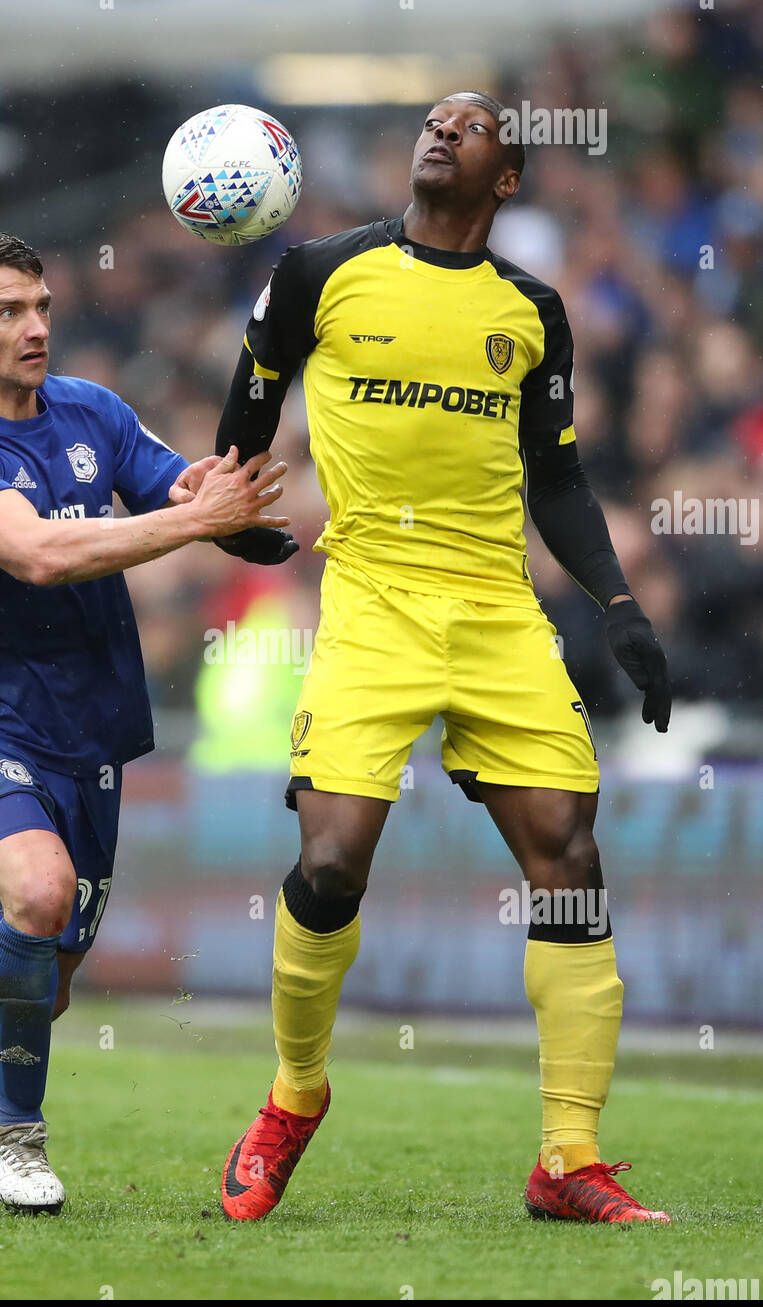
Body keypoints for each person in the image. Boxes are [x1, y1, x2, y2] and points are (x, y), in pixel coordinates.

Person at [216, 93, 674, 1225]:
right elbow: (248, 410)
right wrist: (231, 511)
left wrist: (618, 604)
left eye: (470, 126)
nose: (442, 130)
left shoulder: (532, 310)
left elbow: (556, 478)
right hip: (371, 600)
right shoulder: (318, 272)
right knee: (332, 862)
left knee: (568, 852)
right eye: (434, 120)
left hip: (496, 610)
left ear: (506, 177)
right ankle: (294, 1094)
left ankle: (567, 1157)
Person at [0, 228, 289, 1213]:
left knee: (48, 978)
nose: (35, 327)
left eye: (40, 306)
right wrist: (192, 522)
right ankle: (19, 1144)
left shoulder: (93, 412)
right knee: (38, 892)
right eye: (7, 311)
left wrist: (218, 498)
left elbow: (177, 488)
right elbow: (35, 553)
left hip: (93, 731)